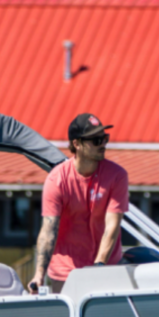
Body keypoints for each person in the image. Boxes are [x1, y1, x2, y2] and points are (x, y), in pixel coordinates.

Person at [29, 113, 130, 294]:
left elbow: (112, 226)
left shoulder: (117, 175)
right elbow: (48, 230)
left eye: (104, 138)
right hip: (66, 271)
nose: (103, 144)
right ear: (77, 144)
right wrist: (39, 274)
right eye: (96, 140)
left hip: (106, 266)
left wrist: (99, 266)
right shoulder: (56, 180)